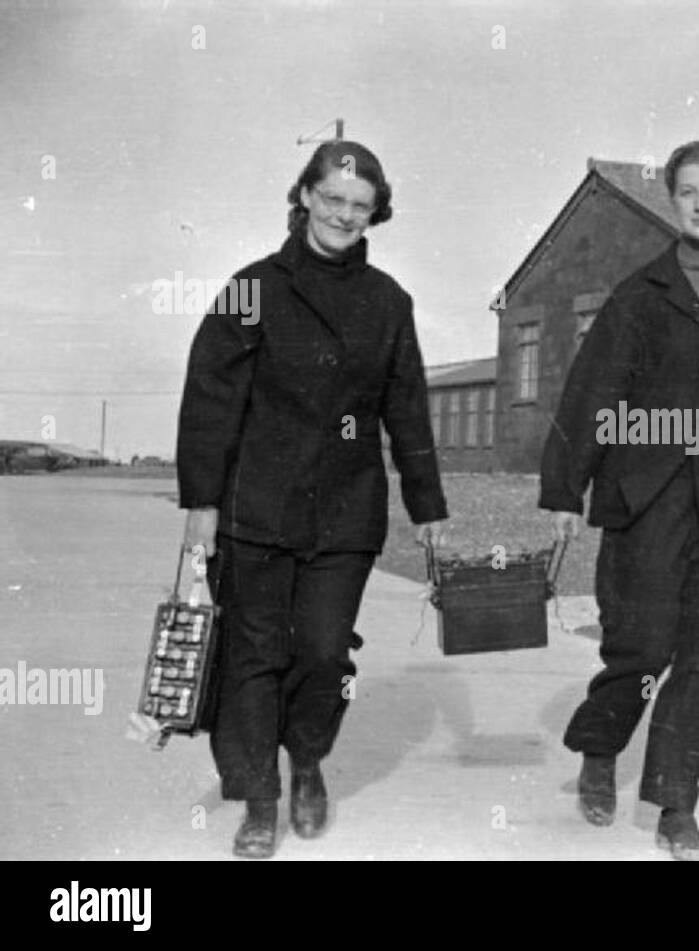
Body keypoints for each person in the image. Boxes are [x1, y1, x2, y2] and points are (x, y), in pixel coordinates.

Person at [176, 140, 448, 859]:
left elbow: (408, 407)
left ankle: (309, 757)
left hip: (345, 511)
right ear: (303, 197)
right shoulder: (251, 287)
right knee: (254, 654)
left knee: (325, 654)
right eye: (331, 199)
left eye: (360, 206)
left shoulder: (390, 302)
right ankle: (260, 796)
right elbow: (210, 400)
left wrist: (427, 511)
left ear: (375, 214)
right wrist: (201, 505)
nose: (344, 215)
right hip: (257, 507)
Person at [540, 139, 699, 860]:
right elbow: (591, 391)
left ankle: (675, 806)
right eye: (688, 192)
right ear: (673, 201)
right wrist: (566, 486)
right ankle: (599, 746)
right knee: (643, 646)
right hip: (647, 492)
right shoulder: (640, 295)